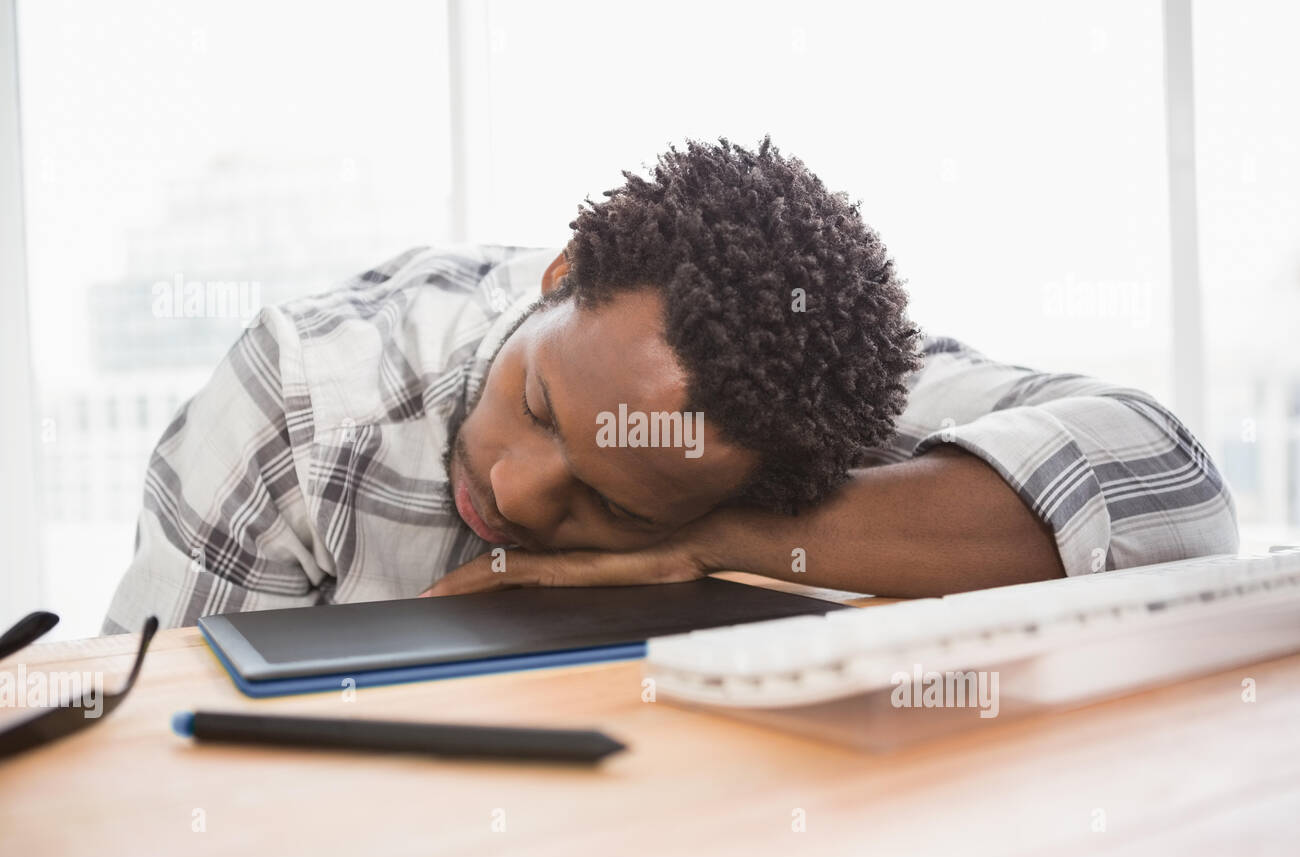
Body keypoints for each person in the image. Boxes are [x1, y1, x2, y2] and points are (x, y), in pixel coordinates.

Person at [102, 137, 1238, 634]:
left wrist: (725, 539)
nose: (518, 486)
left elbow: (1171, 484)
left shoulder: (797, 392)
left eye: (624, 502)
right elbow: (149, 758)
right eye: (538, 402)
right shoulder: (301, 404)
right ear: (559, 278)